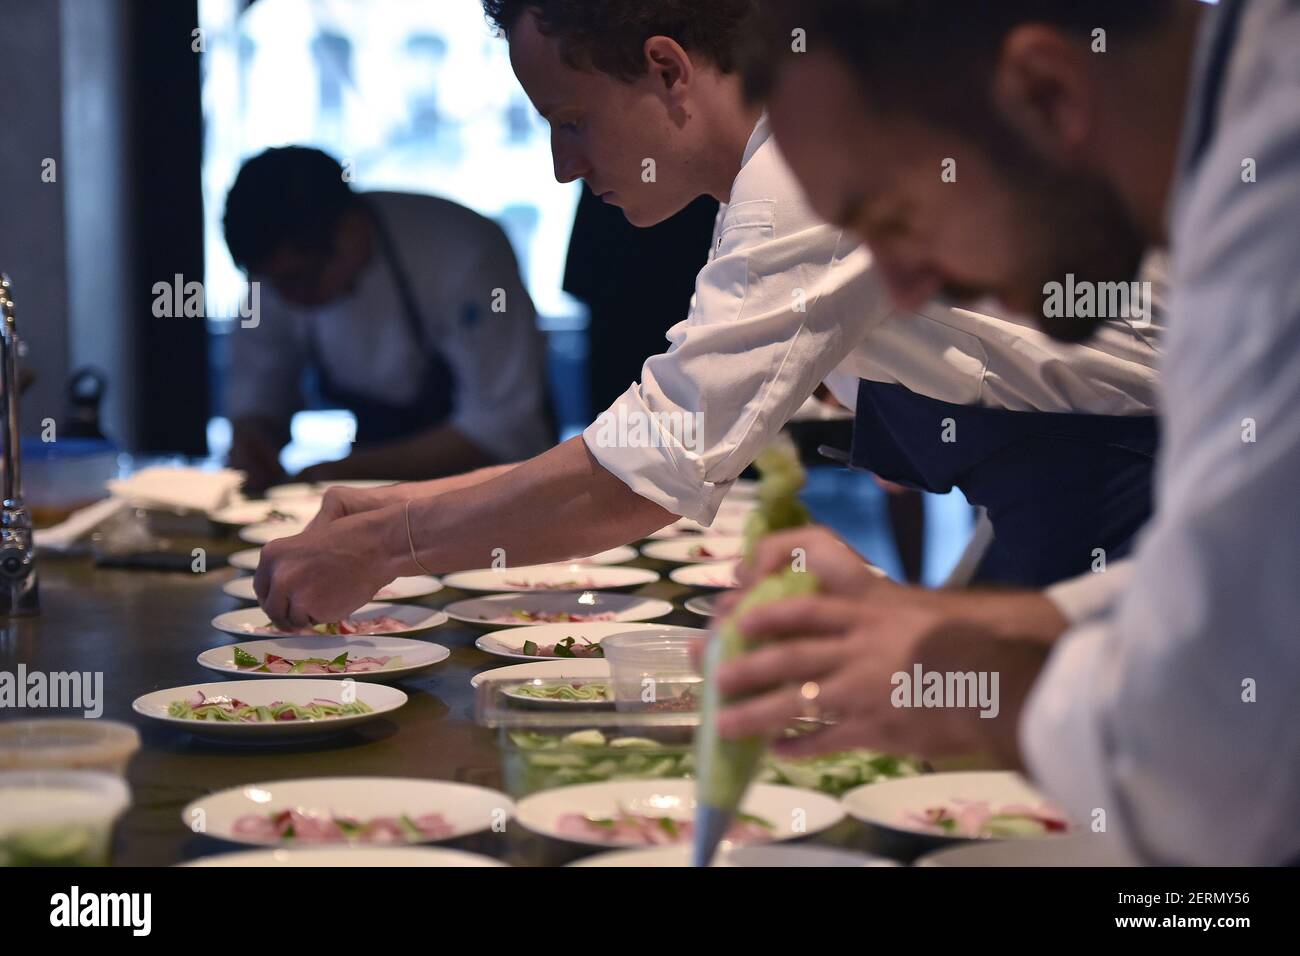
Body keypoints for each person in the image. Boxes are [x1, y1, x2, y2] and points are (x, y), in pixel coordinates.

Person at [251, 0, 1164, 624]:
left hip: (1155, 516)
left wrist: (389, 542)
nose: (563, 168)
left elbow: (647, 467)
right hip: (1067, 514)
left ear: (666, 69)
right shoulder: (764, 181)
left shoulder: (796, 177)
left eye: (570, 119)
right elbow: (658, 436)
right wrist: (404, 507)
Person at [714, 0, 1300, 865]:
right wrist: (932, 629)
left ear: (1046, 93)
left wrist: (957, 681)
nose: (904, 291)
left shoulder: (1272, 222)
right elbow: (1245, 614)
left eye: (893, 217)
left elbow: (1210, 772)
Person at [221, 146, 552, 491]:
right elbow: (258, 389)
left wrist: (335, 473)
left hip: (496, 482)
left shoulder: (464, 253)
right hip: (372, 458)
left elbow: (501, 426)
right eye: (272, 284)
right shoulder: (276, 274)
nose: (287, 298)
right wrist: (252, 436)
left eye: (299, 279)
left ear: (351, 230)